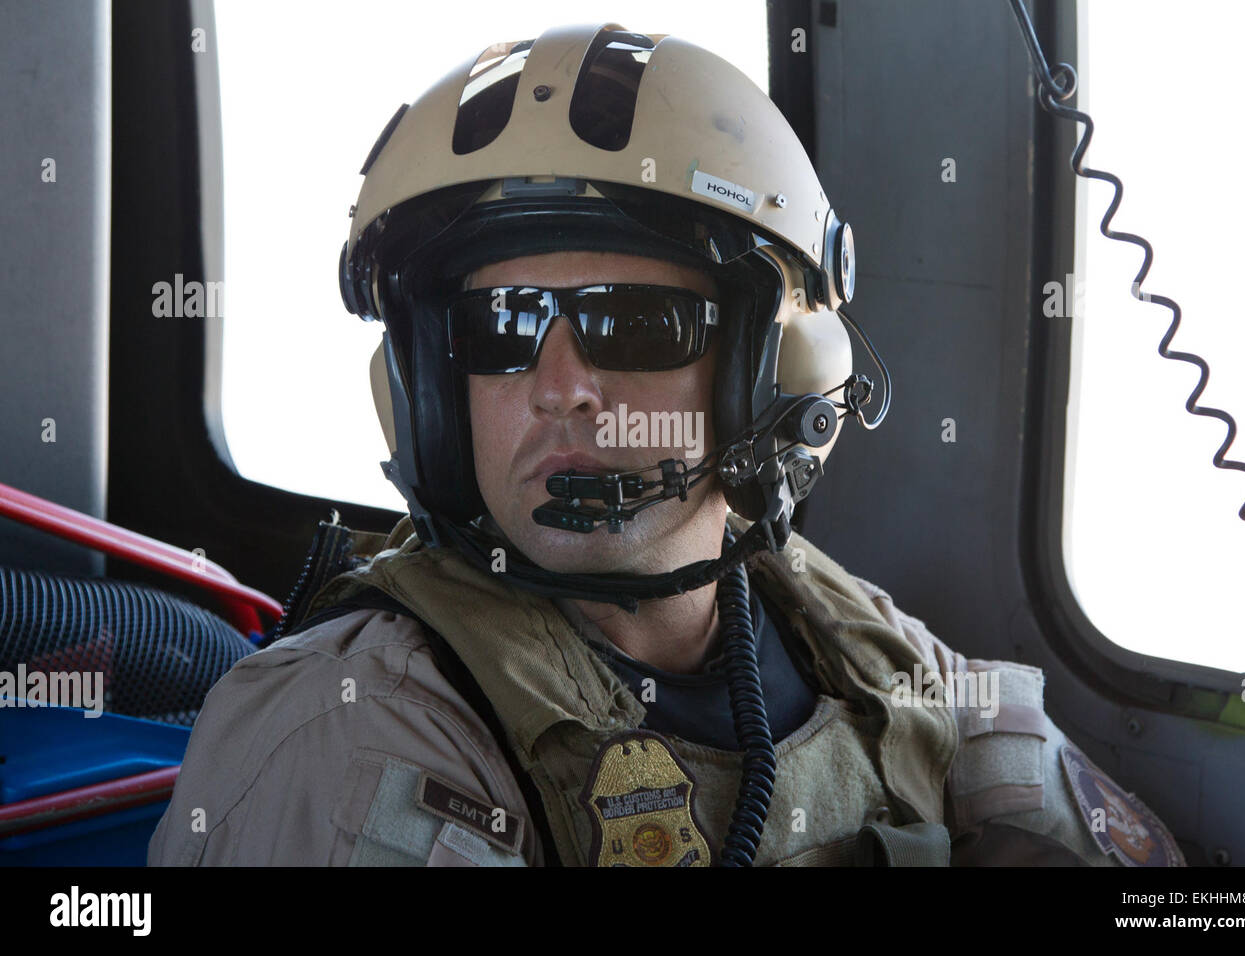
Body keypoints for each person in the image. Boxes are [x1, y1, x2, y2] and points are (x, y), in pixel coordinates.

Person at [148, 23, 1183, 867]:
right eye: (497, 329)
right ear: (427, 390)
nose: (559, 391)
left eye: (632, 323)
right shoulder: (356, 733)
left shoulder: (846, 632)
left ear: (773, 378)